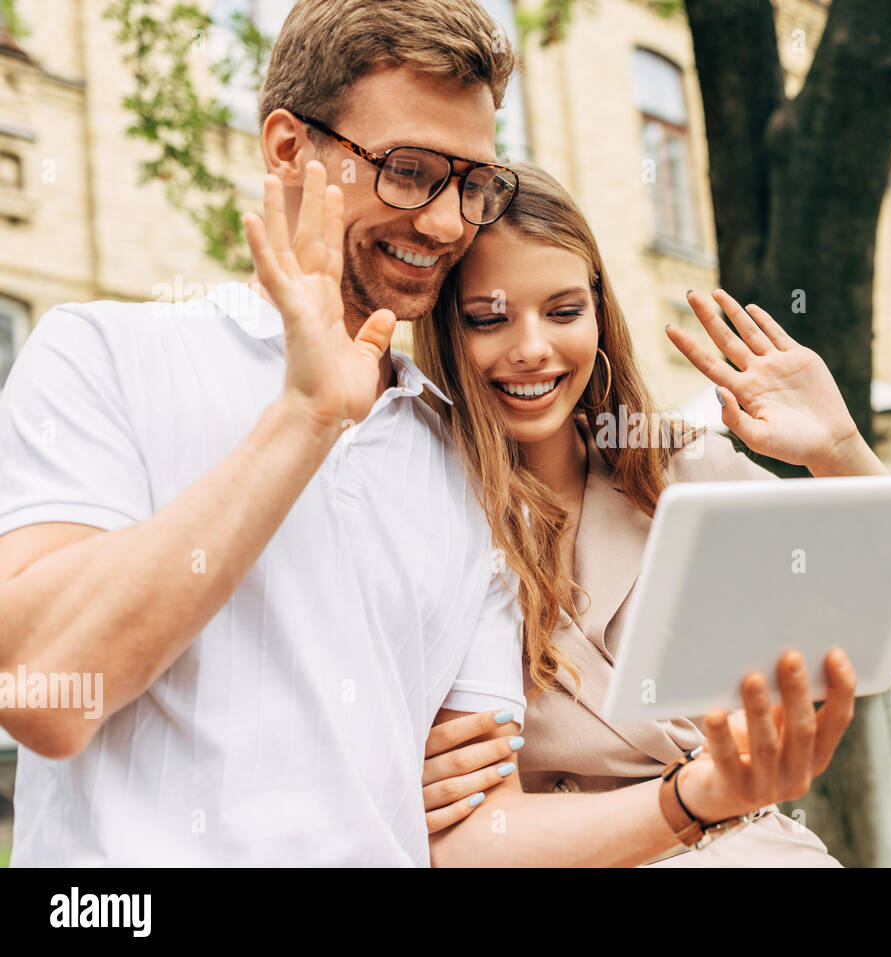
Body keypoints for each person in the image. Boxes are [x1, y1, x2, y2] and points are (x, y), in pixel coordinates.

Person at [0, 0, 536, 866]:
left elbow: (470, 823)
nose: (445, 224)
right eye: (408, 170)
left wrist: (700, 800)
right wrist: (304, 419)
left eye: (473, 184)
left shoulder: (469, 451)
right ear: (288, 149)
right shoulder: (102, 353)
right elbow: (45, 692)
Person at [413, 163, 891, 865]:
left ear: (599, 316)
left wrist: (839, 449)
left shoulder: (673, 468)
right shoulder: (424, 510)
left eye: (563, 311)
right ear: (446, 328)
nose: (532, 347)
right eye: (489, 317)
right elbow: (469, 841)